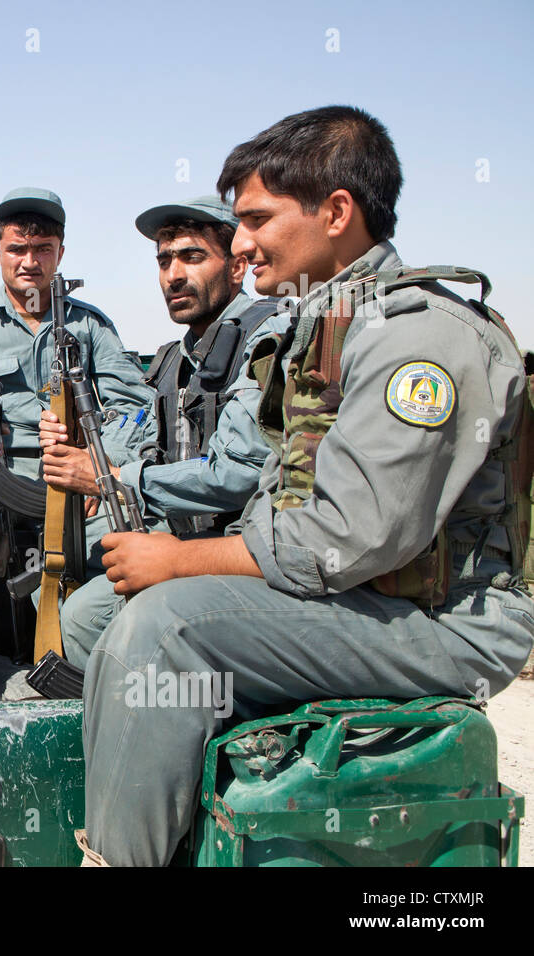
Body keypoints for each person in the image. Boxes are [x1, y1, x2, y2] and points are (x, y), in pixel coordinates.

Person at [78, 105, 534, 866]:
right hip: (369, 596)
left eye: (257, 218)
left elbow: (347, 539)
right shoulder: (326, 324)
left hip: (443, 620)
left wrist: (180, 562)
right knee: (97, 615)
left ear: (336, 212)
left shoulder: (418, 336)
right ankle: (175, 833)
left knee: (164, 631)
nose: (243, 242)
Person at [45, 196, 287, 663]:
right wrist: (76, 445)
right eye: (164, 260)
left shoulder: (265, 339)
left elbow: (236, 473)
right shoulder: (178, 357)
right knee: (49, 578)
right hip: (179, 533)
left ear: (238, 267)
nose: (173, 275)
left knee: (77, 620)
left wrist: (109, 478)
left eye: (192, 257)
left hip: (238, 551)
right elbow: (143, 431)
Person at [0, 188, 153, 651]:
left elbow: (138, 410)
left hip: (74, 484)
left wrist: (99, 468)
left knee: (131, 528)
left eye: (43, 249)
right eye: (17, 249)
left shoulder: (89, 327)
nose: (29, 261)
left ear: (61, 253)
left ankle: (101, 653)